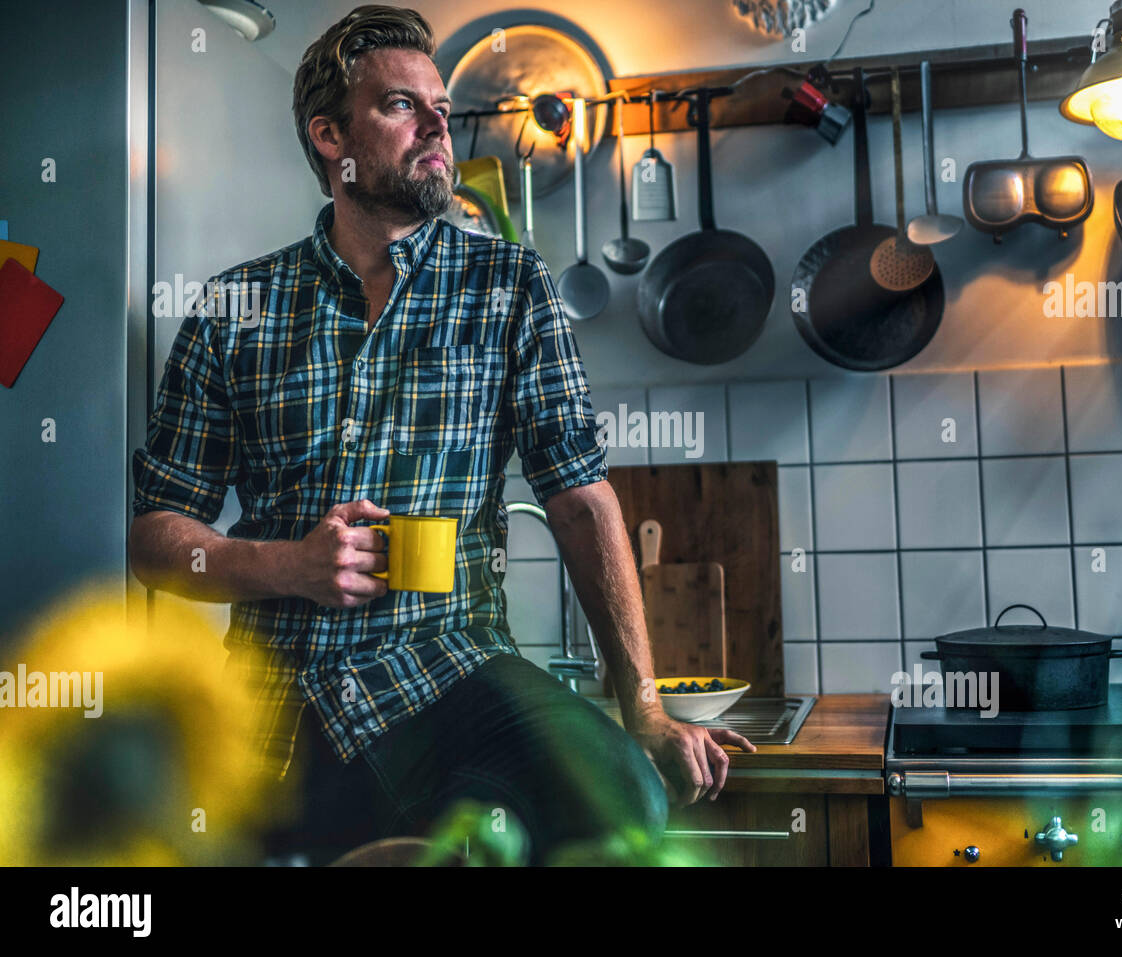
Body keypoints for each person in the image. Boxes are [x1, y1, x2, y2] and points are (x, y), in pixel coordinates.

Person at [127, 4, 752, 865]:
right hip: (278, 704)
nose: (437, 125)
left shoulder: (509, 286)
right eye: (400, 106)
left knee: (619, 801)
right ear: (328, 137)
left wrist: (641, 704)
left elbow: (579, 500)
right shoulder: (236, 310)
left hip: (451, 673)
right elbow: (158, 539)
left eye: (440, 109)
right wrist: (289, 566)